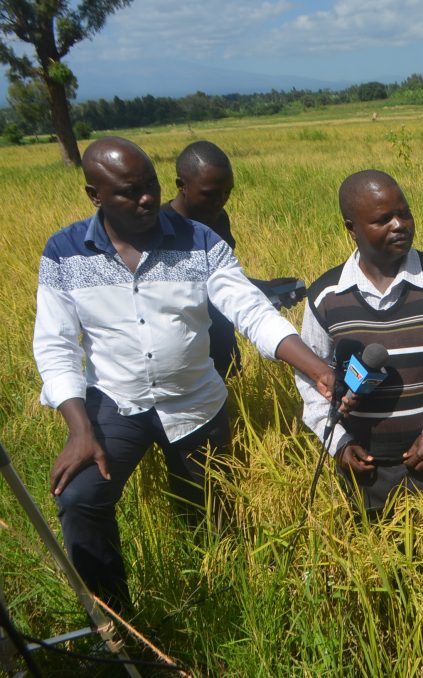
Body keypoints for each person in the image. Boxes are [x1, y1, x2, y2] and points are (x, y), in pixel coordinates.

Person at [32, 137, 335, 611]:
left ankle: (221, 606)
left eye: (150, 185)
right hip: (115, 404)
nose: (147, 199)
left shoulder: (200, 240)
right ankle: (115, 623)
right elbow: (54, 345)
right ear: (95, 195)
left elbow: (252, 311)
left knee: (209, 514)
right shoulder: (64, 253)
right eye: (130, 192)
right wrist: (79, 429)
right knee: (80, 500)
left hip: (196, 402)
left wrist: (319, 369)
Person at [296, 170, 423, 513]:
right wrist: (339, 444)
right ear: (351, 229)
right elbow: (310, 379)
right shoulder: (325, 296)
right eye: (383, 219)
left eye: (404, 213)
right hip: (366, 472)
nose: (400, 224)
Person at [163, 140, 306, 378]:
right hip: (184, 349)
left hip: (221, 336)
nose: (221, 201)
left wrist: (264, 289)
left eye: (227, 192)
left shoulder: (218, 219)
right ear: (182, 185)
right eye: (210, 194)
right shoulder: (159, 230)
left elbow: (221, 278)